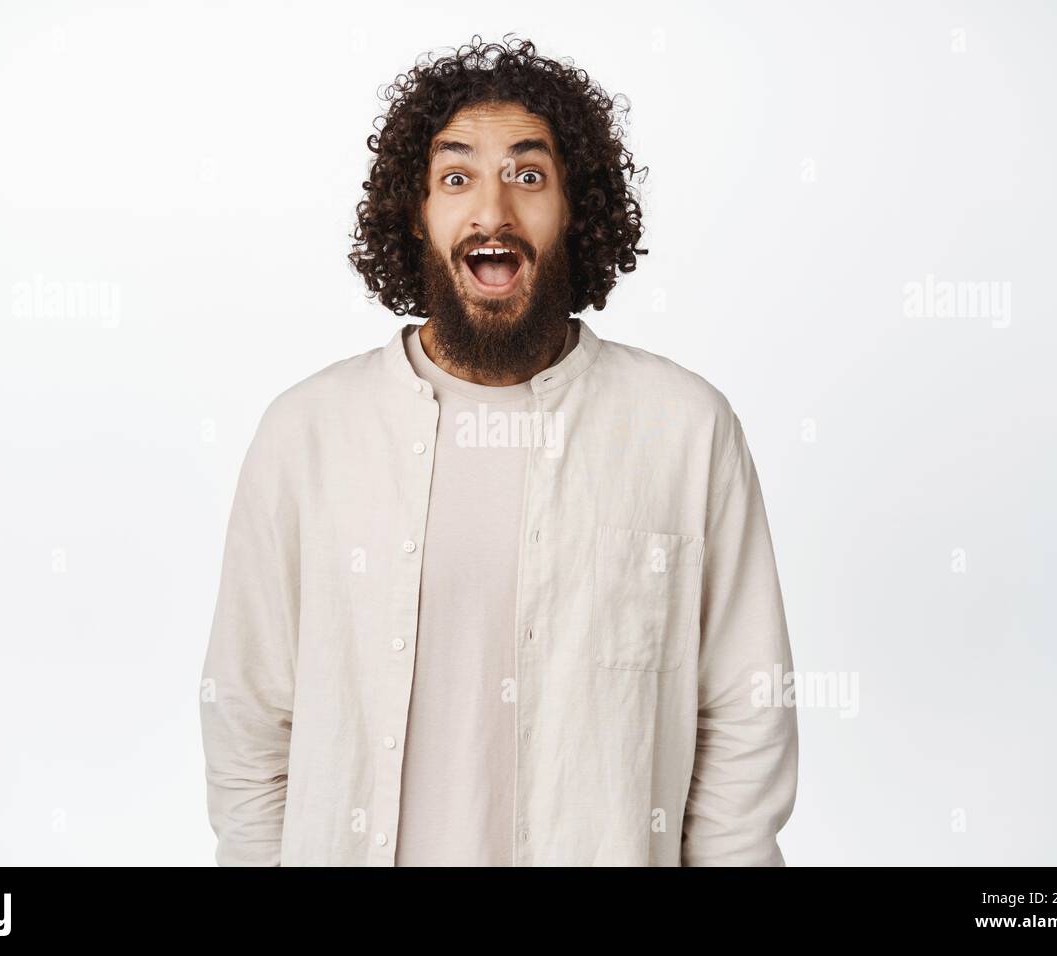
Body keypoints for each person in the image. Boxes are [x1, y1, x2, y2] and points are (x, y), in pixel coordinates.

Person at [199, 36, 798, 867]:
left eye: (528, 174)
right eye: (457, 178)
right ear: (416, 213)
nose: (492, 212)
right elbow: (249, 727)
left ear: (575, 209)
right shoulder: (306, 434)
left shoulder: (684, 431)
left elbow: (744, 724)